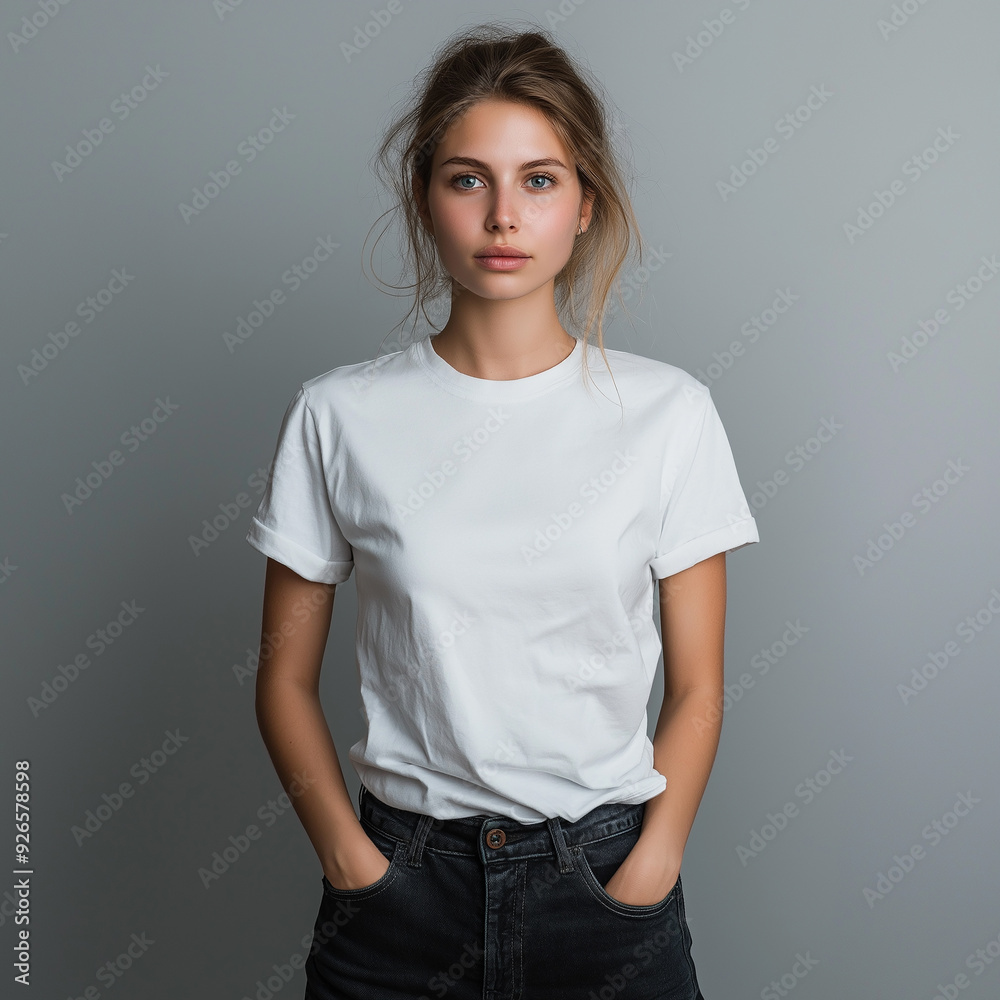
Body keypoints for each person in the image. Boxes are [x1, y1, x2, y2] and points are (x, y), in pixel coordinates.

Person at [246, 21, 759, 1000]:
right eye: (467, 177)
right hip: (399, 889)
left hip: (606, 882)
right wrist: (352, 862)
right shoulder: (338, 414)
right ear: (425, 199)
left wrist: (649, 866)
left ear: (583, 204)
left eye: (538, 179)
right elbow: (280, 682)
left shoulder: (669, 415)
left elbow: (697, 690)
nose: (502, 216)